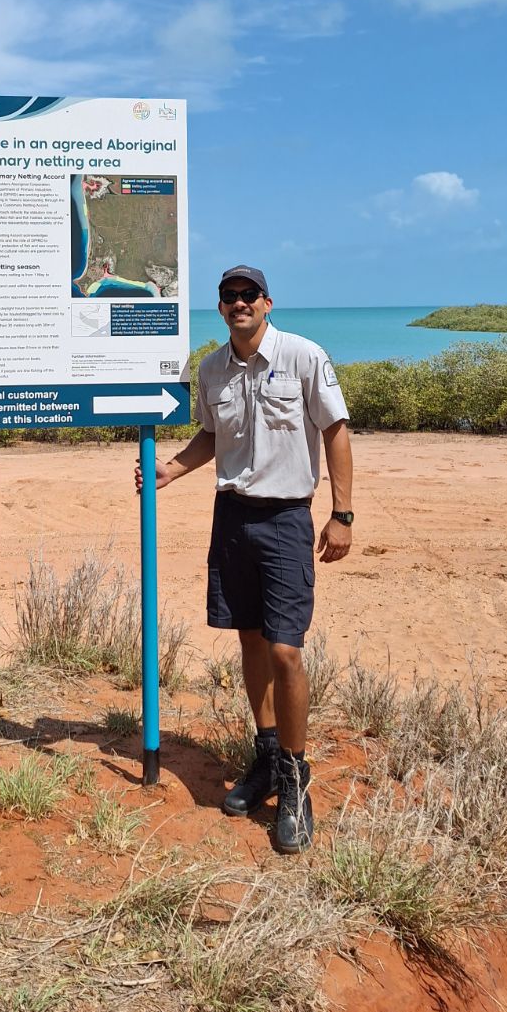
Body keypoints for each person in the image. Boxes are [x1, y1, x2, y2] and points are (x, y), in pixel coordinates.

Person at [140, 266, 353, 854]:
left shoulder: (304, 356)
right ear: (221, 307)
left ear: (267, 302)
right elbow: (212, 436)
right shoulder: (212, 368)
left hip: (287, 517)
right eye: (229, 297)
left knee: (286, 647)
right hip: (232, 516)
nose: (239, 304)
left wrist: (343, 513)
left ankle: (294, 778)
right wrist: (170, 471)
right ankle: (265, 755)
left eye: (248, 296)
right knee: (251, 642)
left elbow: (335, 429)